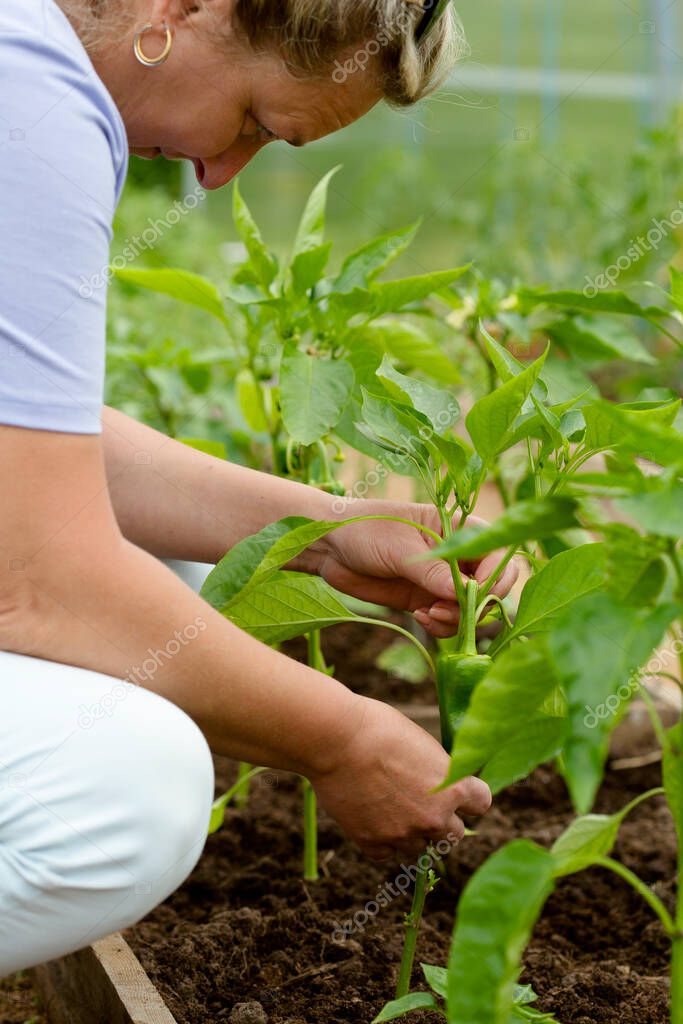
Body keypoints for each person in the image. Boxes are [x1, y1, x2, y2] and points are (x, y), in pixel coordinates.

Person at [0, 0, 515, 974]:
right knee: (123, 790)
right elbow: (32, 579)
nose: (217, 173)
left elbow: (25, 445)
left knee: (174, 581)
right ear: (182, 11)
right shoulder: (30, 99)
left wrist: (325, 527)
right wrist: (342, 740)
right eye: (253, 123)